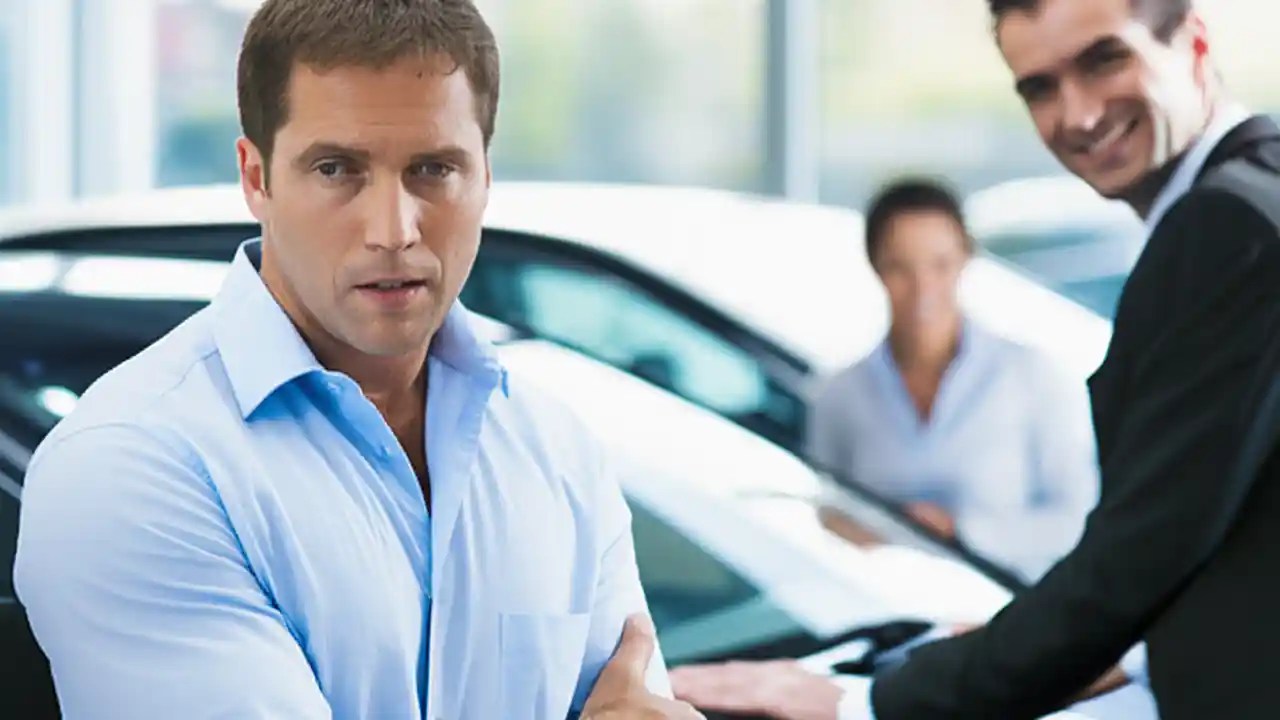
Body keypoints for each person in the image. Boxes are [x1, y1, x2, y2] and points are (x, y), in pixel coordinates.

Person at [11, 1, 701, 718]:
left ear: (486, 176)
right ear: (256, 178)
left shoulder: (554, 448)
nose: (394, 231)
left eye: (434, 169)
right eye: (337, 168)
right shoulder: (131, 464)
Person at [672, 0, 1280, 718]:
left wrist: (868, 701)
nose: (1077, 116)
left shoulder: (1227, 222)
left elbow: (1140, 554)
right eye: (1039, 88)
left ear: (1194, 44)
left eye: (1103, 60)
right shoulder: (1253, 195)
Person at [807, 178, 1099, 581]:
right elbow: (825, 518)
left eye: (940, 265)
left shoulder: (1033, 376)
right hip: (892, 617)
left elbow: (1079, 522)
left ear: (966, 258)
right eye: (900, 268)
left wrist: (962, 530)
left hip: (1012, 615)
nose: (922, 288)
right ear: (875, 265)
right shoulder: (839, 396)